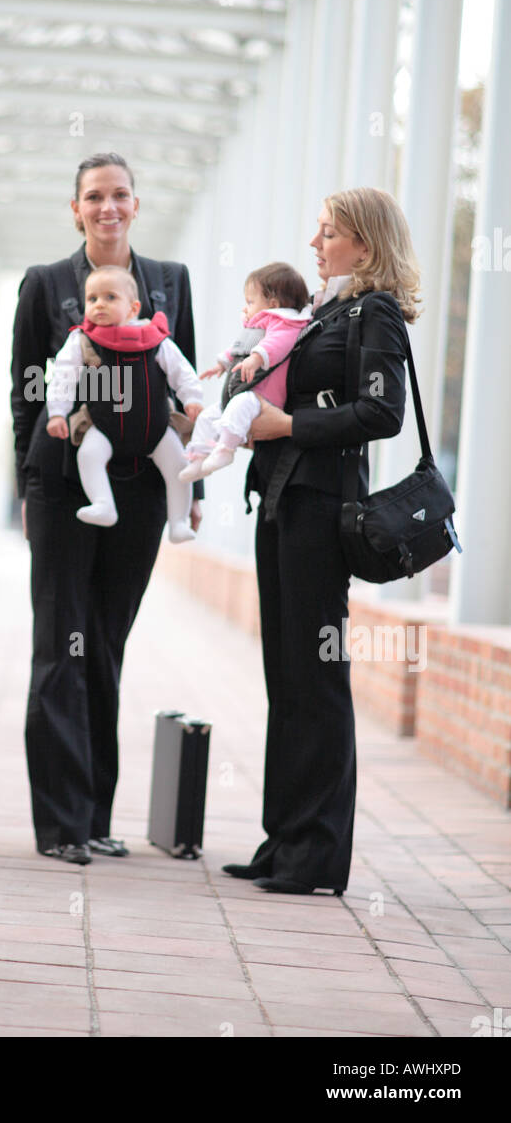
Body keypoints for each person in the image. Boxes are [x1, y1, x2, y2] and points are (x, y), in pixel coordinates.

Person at [221, 187, 420, 896]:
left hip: (320, 510)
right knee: (288, 677)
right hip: (281, 503)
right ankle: (284, 842)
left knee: (316, 679)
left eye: (328, 232)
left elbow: (382, 412)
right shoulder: (325, 312)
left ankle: (316, 855)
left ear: (363, 245)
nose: (314, 244)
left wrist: (290, 427)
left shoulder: (376, 312)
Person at [11, 152, 203, 865]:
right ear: (76, 208)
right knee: (61, 642)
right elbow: (25, 390)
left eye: (120, 194)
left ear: (136, 202)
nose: (108, 206)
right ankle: (60, 825)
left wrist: (197, 486)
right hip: (64, 484)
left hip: (146, 488)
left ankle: (94, 815)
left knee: (105, 645)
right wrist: (25, 489)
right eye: (94, 196)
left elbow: (187, 394)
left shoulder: (170, 283)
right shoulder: (45, 286)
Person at [46, 265, 203, 541]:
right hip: (104, 427)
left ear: (133, 308)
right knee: (88, 455)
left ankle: (178, 523)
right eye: (92, 299)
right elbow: (62, 376)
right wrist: (57, 413)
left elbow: (182, 371)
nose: (99, 305)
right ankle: (104, 505)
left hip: (155, 429)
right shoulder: (82, 339)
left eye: (110, 297)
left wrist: (192, 400)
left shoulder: (155, 340)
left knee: (179, 465)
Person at [180, 262, 311, 482]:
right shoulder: (257, 326)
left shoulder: (285, 323)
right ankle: (198, 458)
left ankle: (225, 450)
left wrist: (257, 358)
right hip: (242, 390)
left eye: (250, 302)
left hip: (262, 397)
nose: (245, 308)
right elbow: (239, 348)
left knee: (237, 409)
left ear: (273, 303)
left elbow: (278, 344)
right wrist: (222, 363)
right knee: (207, 417)